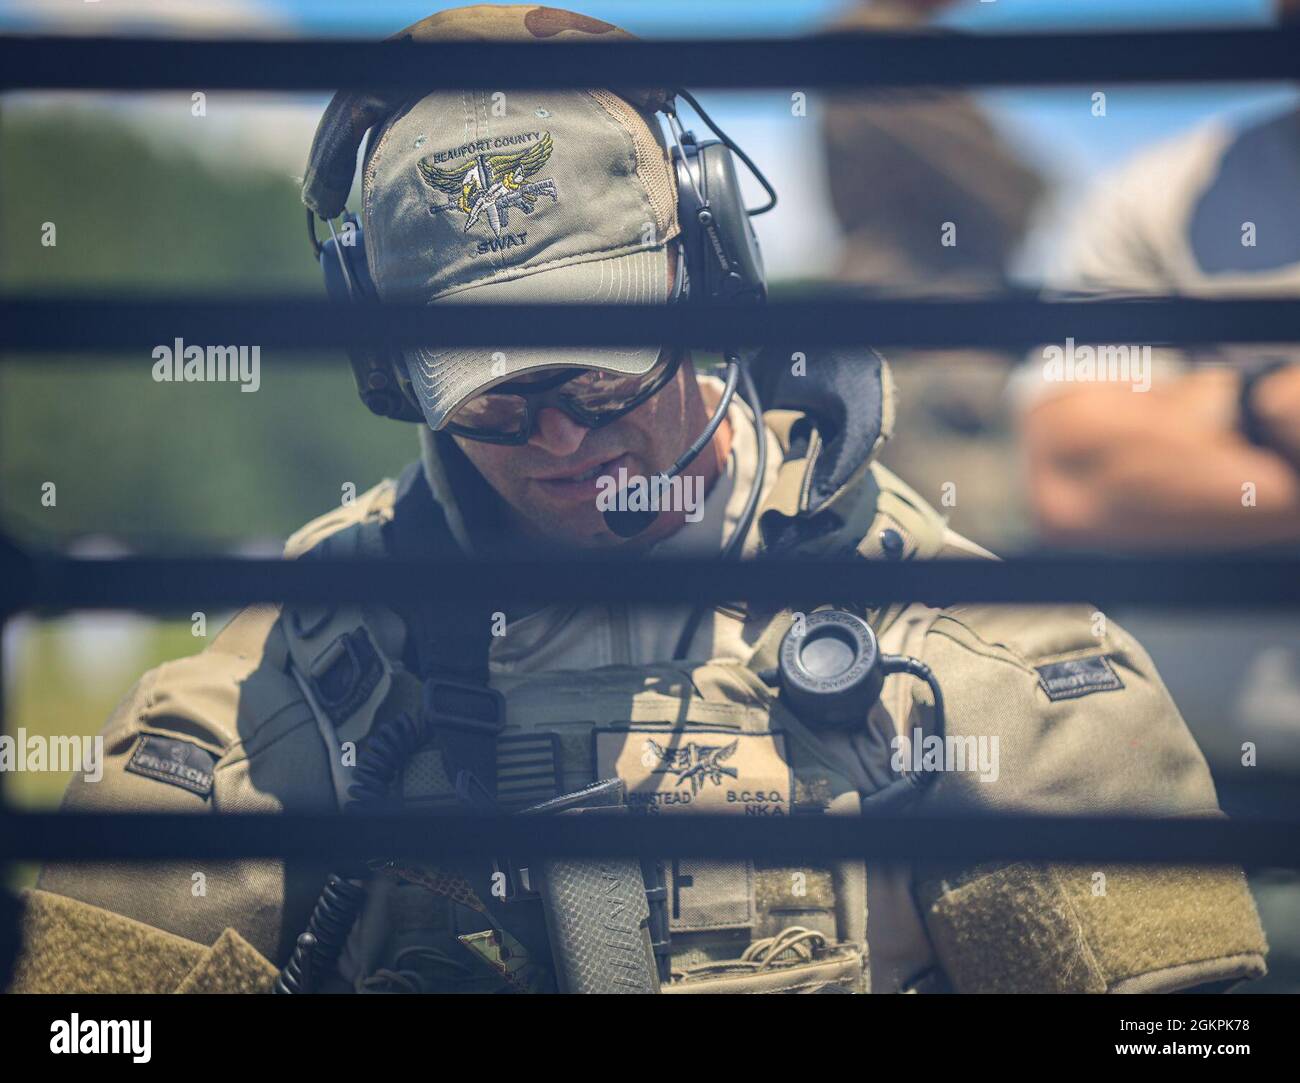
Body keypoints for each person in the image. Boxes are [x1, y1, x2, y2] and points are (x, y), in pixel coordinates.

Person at [11, 5, 1266, 995]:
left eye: (594, 375)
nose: (556, 437)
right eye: (488, 398)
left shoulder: (996, 682)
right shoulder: (264, 700)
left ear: (704, 278)